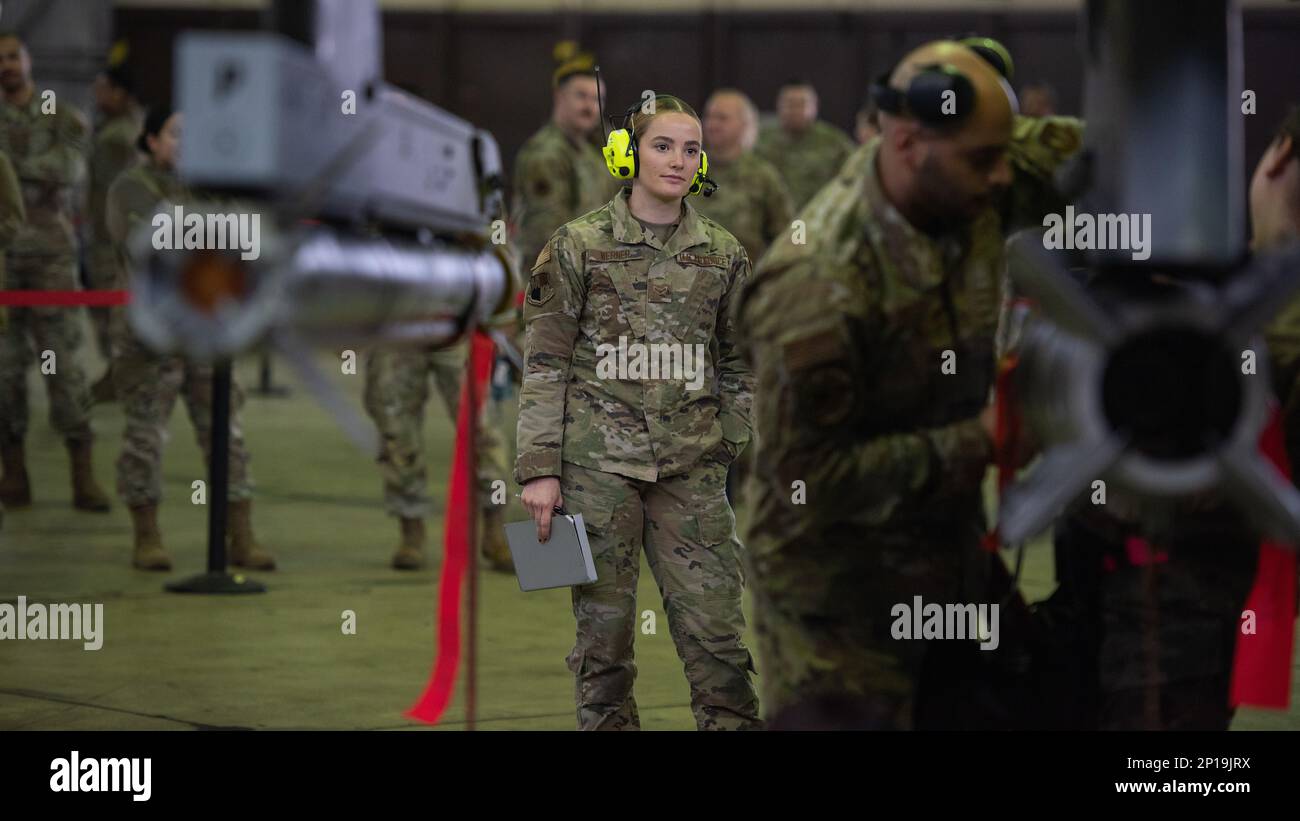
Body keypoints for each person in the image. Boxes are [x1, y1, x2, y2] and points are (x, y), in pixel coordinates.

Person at [737, 41, 1017, 729]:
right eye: (984, 159)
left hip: (948, 561)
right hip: (837, 604)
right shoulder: (818, 282)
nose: (1004, 175)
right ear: (907, 139)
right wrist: (978, 442)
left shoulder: (965, 184)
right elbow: (809, 480)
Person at [516, 94, 761, 730]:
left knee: (719, 646)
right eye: (662, 145)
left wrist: (729, 436)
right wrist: (540, 469)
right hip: (596, 475)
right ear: (627, 153)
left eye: (690, 149)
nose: (679, 161)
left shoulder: (723, 254)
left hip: (692, 473)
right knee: (603, 649)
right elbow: (545, 362)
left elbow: (745, 361)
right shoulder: (577, 246)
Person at [106, 105, 274, 572]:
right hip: (150, 340)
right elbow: (154, 246)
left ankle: (240, 536)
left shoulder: (218, 191)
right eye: (176, 134)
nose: (187, 144)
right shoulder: (131, 188)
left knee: (227, 436)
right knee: (144, 437)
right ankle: (147, 536)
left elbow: (251, 243)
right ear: (152, 142)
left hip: (210, 337)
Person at [0, 31, 111, 513]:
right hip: (2, 264)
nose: (6, 65)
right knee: (4, 377)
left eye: (12, 56)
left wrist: (8, 166)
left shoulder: (59, 113)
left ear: (27, 59)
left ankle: (82, 475)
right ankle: (14, 474)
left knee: (64, 369)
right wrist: (33, 169)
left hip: (52, 263)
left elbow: (68, 169)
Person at [363, 342, 514, 571]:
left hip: (458, 328)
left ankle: (495, 530)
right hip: (394, 329)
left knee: (484, 430)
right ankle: (411, 529)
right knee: (396, 432)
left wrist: (502, 325)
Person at [511, 41, 623, 272]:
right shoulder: (547, 153)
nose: (590, 107)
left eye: (597, 99)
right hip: (554, 278)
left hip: (590, 271)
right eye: (581, 96)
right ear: (559, 96)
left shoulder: (591, 149)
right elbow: (549, 236)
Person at [85, 59, 142, 403]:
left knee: (112, 310)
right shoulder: (125, 127)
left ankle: (119, 377)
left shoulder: (118, 136)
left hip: (113, 237)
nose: (98, 94)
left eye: (104, 89)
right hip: (114, 232)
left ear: (121, 94)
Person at [695, 88, 793, 264]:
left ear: (744, 124)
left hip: (741, 282)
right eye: (709, 116)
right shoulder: (688, 168)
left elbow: (786, 235)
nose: (712, 124)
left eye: (722, 118)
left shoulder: (763, 176)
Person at [754, 79, 854, 211]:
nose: (795, 110)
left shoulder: (834, 142)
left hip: (816, 218)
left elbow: (852, 181)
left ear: (814, 107)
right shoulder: (759, 139)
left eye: (802, 104)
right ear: (779, 105)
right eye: (790, 104)